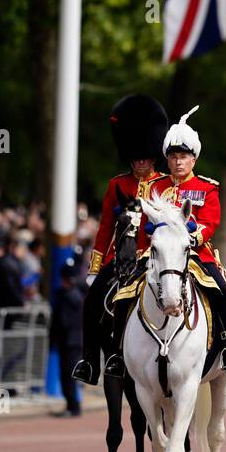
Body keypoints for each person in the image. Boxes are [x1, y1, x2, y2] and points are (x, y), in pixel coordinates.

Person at [105, 105, 226, 377]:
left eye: (183, 156)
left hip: (194, 254)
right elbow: (147, 225)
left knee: (221, 289)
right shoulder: (156, 187)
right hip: (157, 255)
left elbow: (211, 223)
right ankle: (116, 354)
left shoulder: (207, 187)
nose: (178, 162)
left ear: (193, 159)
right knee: (123, 293)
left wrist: (191, 233)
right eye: (172, 157)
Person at [72, 94, 167, 386]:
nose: (140, 163)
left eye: (145, 158)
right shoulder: (117, 185)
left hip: (155, 257)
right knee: (93, 300)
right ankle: (90, 360)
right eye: (136, 159)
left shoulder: (165, 184)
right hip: (122, 260)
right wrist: (95, 268)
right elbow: (105, 229)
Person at [51, 259, 87, 416]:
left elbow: (62, 321)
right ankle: (72, 404)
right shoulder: (75, 294)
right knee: (68, 375)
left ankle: (73, 406)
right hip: (73, 340)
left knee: (68, 375)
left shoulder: (67, 296)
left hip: (70, 341)